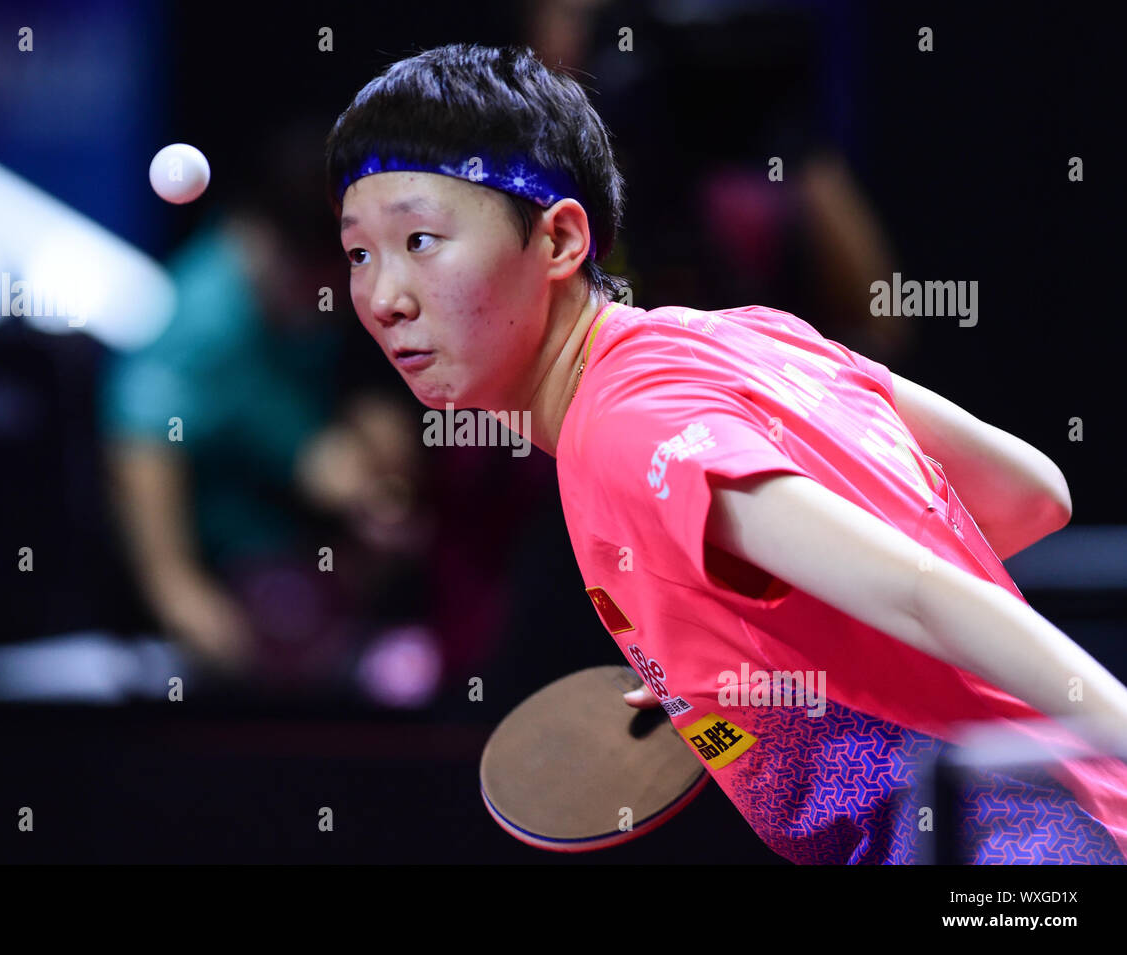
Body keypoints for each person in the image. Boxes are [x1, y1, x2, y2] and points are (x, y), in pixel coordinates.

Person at [323, 43, 1127, 863]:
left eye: (420, 239)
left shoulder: (625, 430)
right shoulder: (749, 334)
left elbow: (917, 590)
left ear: (562, 239)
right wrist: (727, 662)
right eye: (359, 254)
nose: (383, 298)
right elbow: (1032, 493)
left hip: (1038, 850)